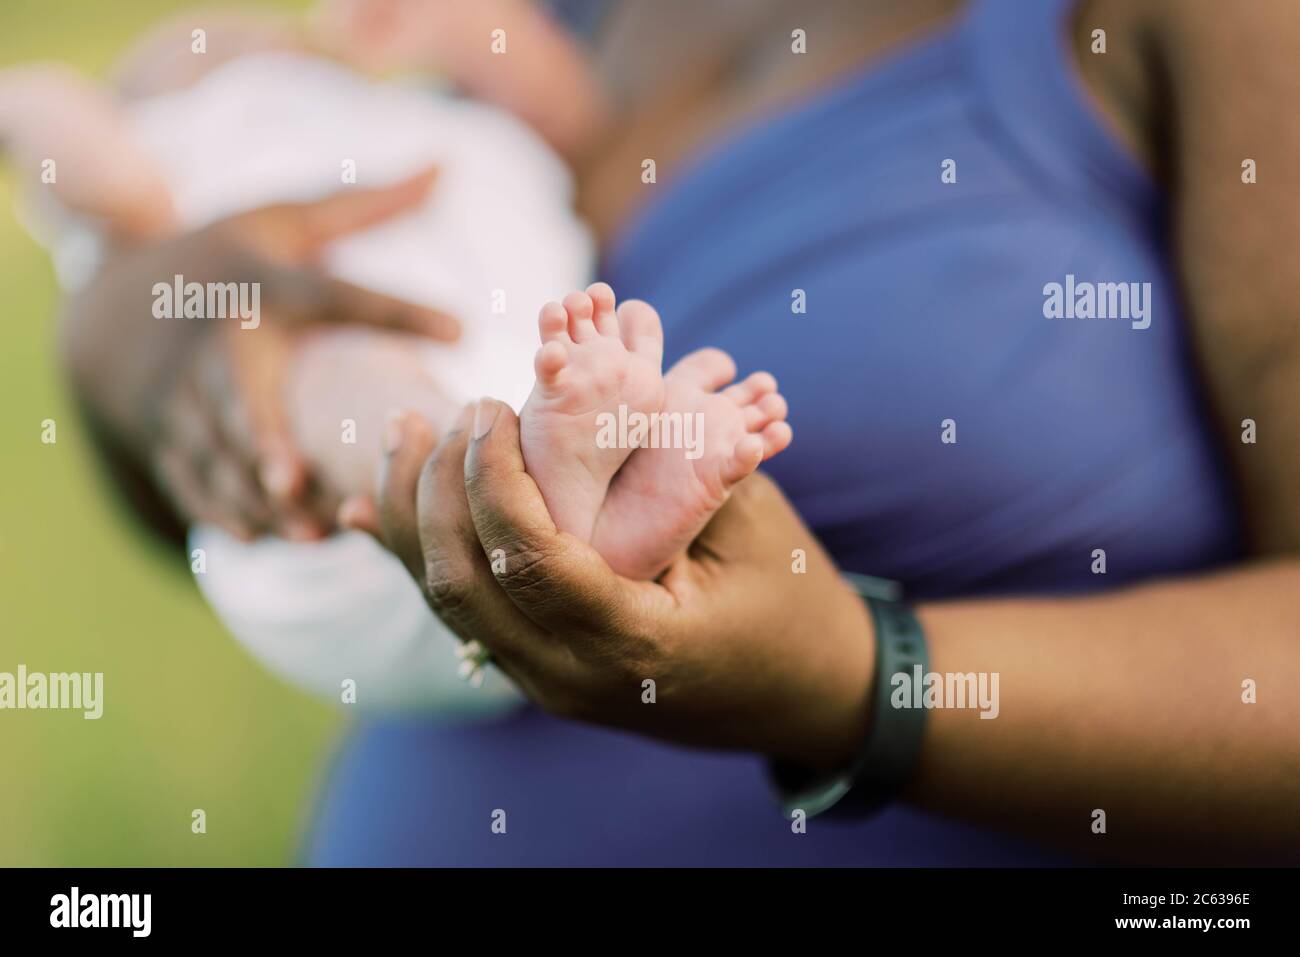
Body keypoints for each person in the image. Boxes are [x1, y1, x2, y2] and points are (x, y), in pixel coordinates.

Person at [60, 0, 1300, 865]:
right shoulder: (557, 27)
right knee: (374, 420)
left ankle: (531, 476)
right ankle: (521, 475)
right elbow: (233, 523)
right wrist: (140, 355)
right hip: (380, 578)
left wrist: (856, 683)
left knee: (396, 419)